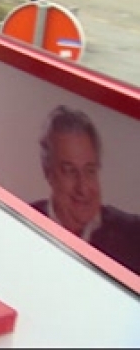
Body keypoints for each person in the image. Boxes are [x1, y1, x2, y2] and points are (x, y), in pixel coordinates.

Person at [30, 105, 140, 275]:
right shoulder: (23, 224)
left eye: (90, 171)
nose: (82, 188)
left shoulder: (133, 234)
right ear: (48, 172)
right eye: (70, 171)